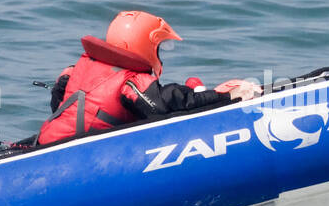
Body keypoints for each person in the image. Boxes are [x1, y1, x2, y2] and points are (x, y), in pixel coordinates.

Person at [36, 11, 260, 146]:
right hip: (72, 153)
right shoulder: (129, 80)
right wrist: (226, 96)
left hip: (47, 141)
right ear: (145, 45)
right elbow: (166, 105)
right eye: (159, 47)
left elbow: (60, 103)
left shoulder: (76, 70)